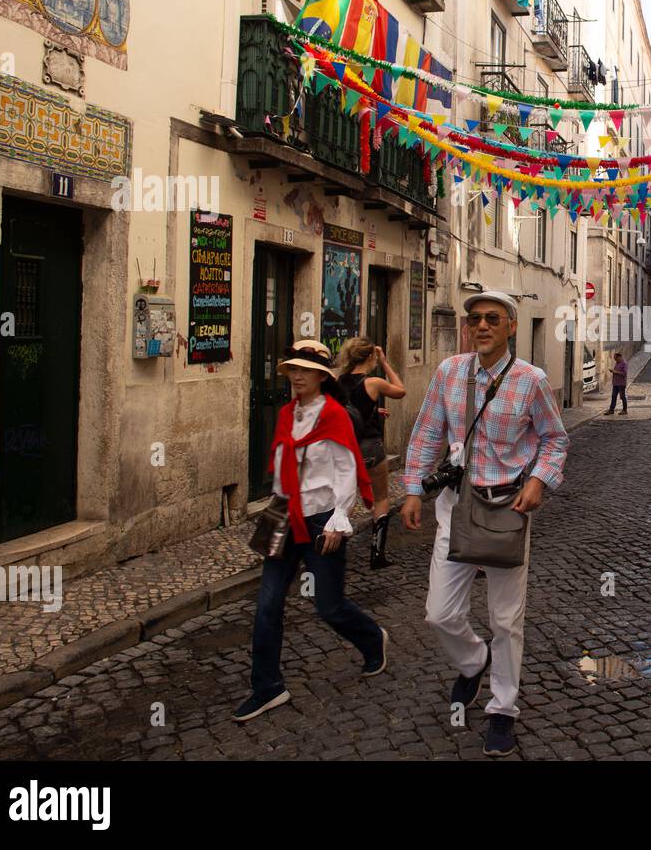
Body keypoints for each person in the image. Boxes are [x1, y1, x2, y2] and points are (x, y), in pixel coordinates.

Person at [401, 291, 568, 757]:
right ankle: (474, 662)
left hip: (506, 511)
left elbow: (555, 439)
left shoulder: (531, 381)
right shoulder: (448, 373)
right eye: (474, 319)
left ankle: (503, 708)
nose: (482, 326)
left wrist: (539, 481)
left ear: (511, 326)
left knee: (505, 618)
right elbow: (428, 431)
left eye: (492, 318)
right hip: (456, 507)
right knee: (439, 612)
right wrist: (413, 487)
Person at [234, 340, 389, 723]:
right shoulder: (288, 414)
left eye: (305, 370)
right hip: (286, 519)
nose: (297, 376)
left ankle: (372, 639)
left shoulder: (335, 416)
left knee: (329, 607)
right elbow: (285, 465)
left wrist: (340, 519)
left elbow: (347, 469)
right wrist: (273, 514)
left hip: (322, 521)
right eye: (292, 370)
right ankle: (268, 687)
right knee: (267, 606)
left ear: (321, 376)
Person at [337, 337, 407, 569]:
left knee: (343, 498)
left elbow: (348, 411)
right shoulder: (374, 383)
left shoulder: (338, 381)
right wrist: (386, 363)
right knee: (381, 498)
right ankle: (377, 553)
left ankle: (334, 548)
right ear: (371, 357)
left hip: (346, 447)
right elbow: (400, 390)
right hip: (370, 447)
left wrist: (374, 410)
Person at [605, 351, 628, 415]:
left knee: (622, 397)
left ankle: (624, 410)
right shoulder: (617, 363)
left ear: (619, 357)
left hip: (621, 383)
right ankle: (611, 410)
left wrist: (615, 371)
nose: (615, 360)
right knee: (613, 396)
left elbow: (624, 373)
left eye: (616, 358)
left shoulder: (624, 363)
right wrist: (613, 371)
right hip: (615, 383)